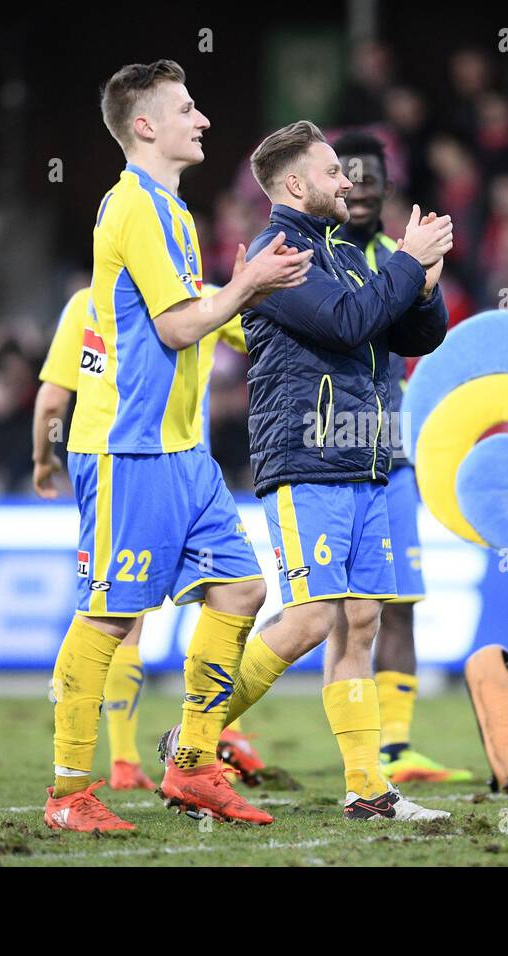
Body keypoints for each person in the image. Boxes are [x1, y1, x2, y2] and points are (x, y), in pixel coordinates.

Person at [42, 60, 311, 832]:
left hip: (183, 451)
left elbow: (203, 316)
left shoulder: (171, 212)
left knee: (242, 590)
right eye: (187, 109)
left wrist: (262, 309)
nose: (203, 121)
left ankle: (192, 763)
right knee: (108, 617)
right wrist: (249, 284)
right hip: (131, 450)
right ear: (145, 125)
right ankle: (67, 793)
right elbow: (175, 325)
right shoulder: (134, 206)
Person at [161, 120, 453, 821]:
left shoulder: (347, 252)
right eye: (332, 173)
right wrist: (405, 265)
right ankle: (193, 743)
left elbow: (413, 335)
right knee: (312, 617)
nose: (346, 183)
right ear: (295, 185)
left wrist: (425, 282)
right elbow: (349, 323)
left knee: (359, 621)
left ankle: (369, 792)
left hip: (369, 459)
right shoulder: (279, 253)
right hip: (309, 458)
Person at [32, 285, 265, 792]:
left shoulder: (84, 303)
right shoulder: (202, 297)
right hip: (174, 465)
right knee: (227, 599)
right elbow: (260, 338)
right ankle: (211, 740)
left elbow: (53, 398)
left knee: (129, 612)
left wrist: (44, 458)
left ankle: (128, 759)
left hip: (126, 465)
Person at [332, 130, 470, 784]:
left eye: (369, 175)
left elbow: (427, 339)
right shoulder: (316, 255)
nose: (357, 184)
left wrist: (425, 287)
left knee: (399, 600)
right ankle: (224, 725)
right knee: (326, 609)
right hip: (329, 454)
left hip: (393, 452)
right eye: (346, 173)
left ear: (387, 186)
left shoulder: (404, 256)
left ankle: (394, 749)